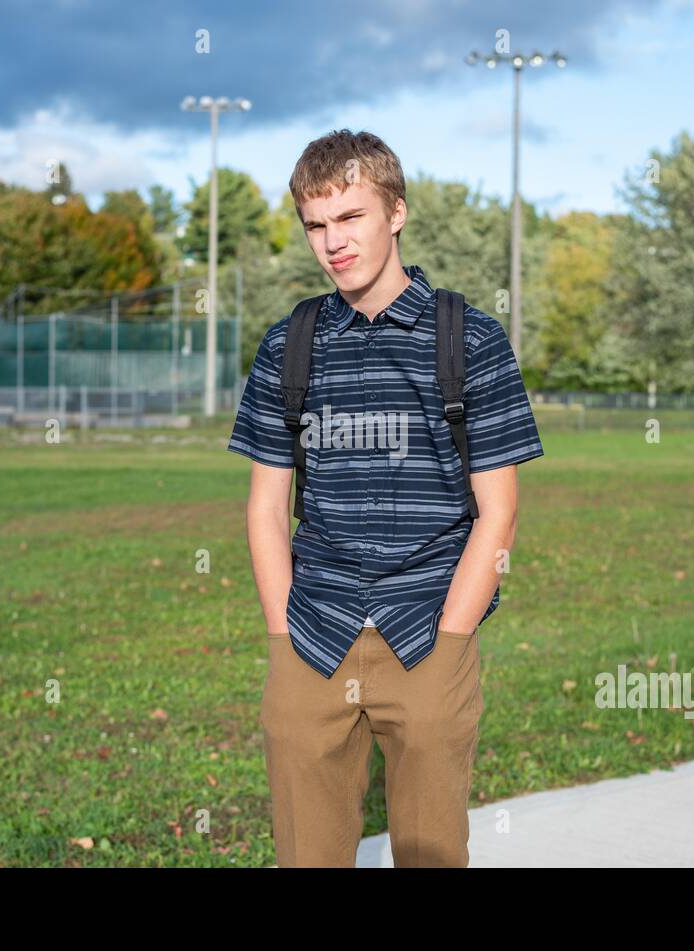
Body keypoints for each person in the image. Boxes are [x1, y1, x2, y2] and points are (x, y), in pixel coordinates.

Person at [226, 128, 543, 867]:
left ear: (395, 212)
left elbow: (500, 509)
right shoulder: (288, 344)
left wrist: (455, 634)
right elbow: (266, 508)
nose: (333, 242)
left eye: (351, 217)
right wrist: (281, 632)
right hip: (313, 631)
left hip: (429, 626)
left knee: (431, 854)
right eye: (316, 224)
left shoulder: (469, 338)